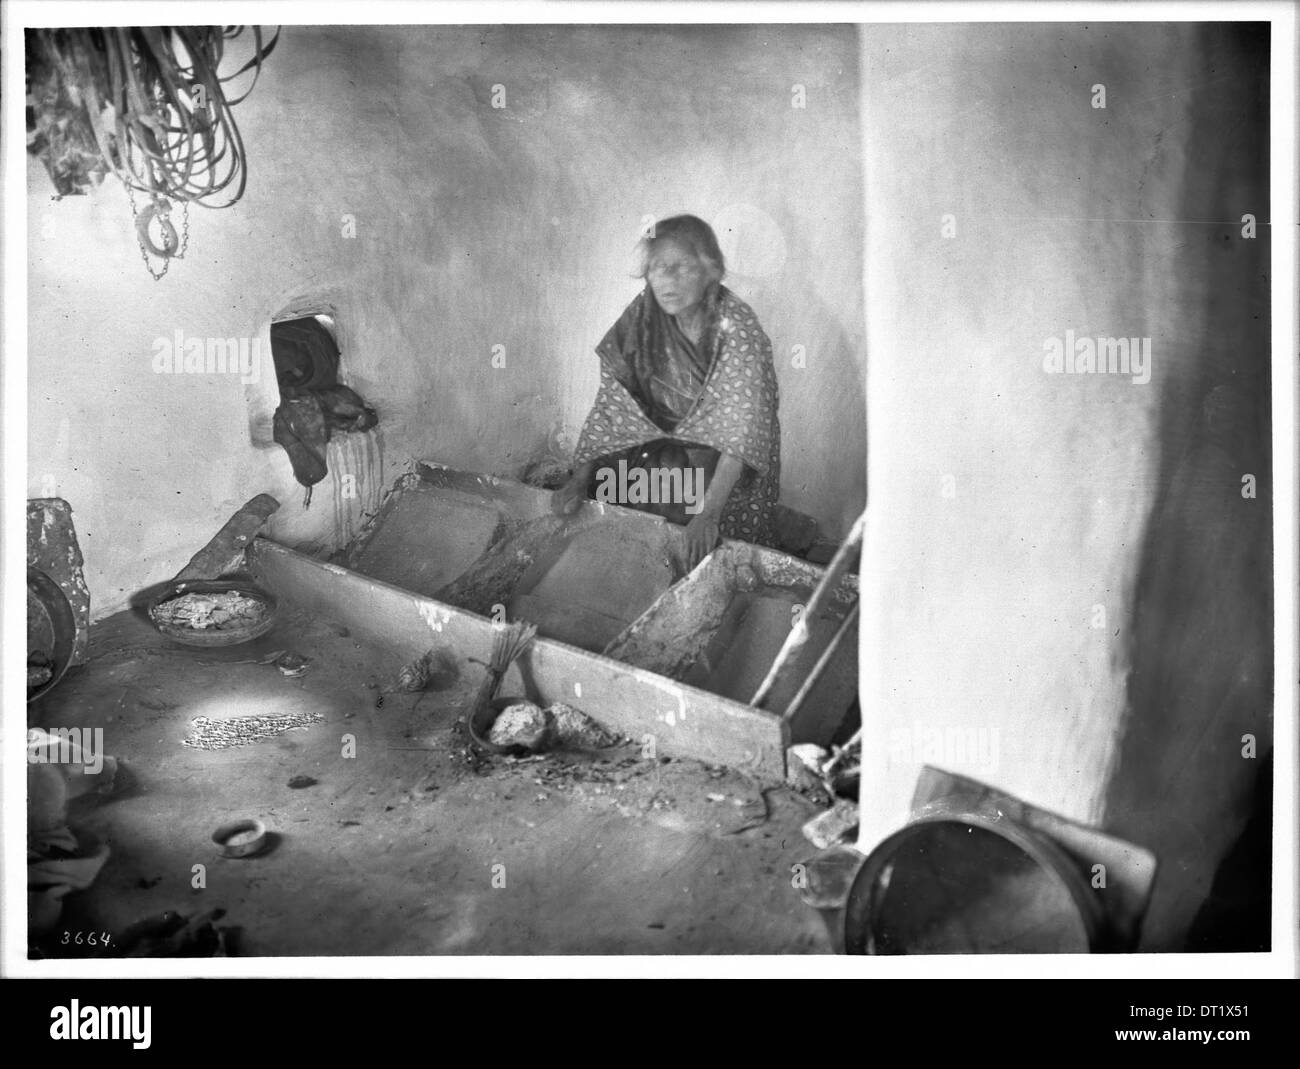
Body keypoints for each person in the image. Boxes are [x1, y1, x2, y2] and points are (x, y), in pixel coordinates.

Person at [554, 214, 781, 570]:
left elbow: (743, 431)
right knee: (623, 546)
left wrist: (708, 516)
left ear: (712, 272)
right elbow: (613, 402)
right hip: (654, 457)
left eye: (682, 267)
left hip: (719, 472)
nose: (667, 280)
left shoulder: (737, 327)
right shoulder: (645, 314)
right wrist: (579, 479)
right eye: (658, 267)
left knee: (708, 561)